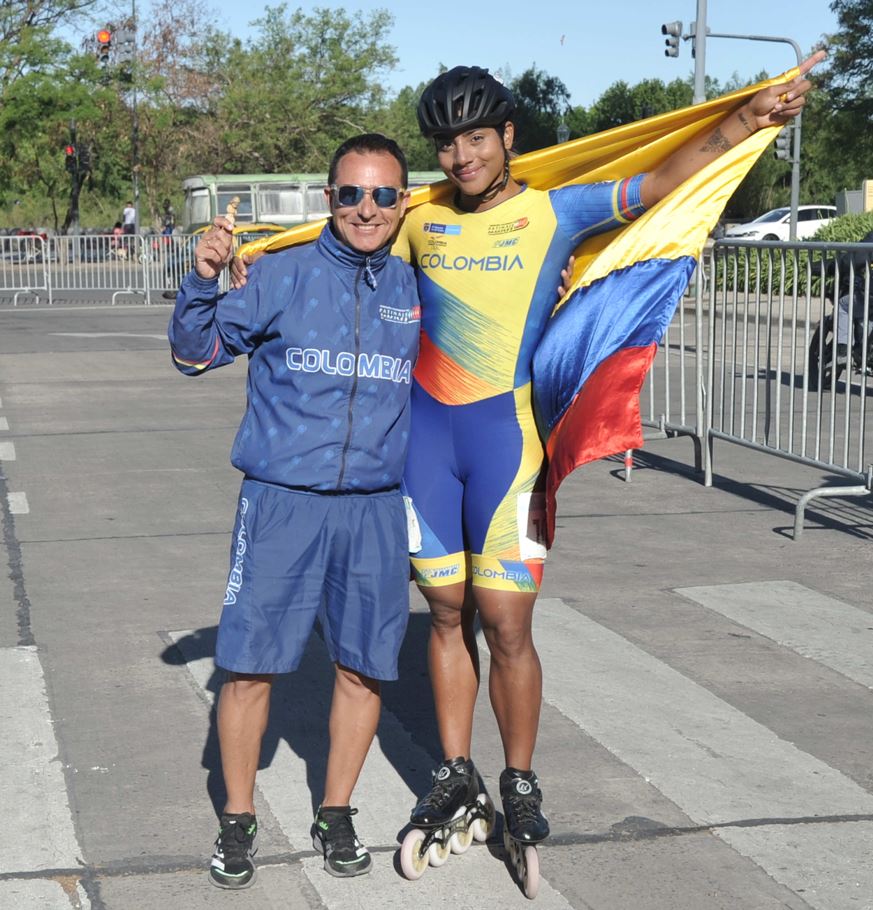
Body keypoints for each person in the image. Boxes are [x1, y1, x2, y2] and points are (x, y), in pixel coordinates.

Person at [396, 58, 824, 850]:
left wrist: (749, 118)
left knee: (507, 626)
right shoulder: (418, 218)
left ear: (507, 137)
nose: (463, 157)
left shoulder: (556, 211)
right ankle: (455, 772)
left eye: (477, 139)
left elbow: (660, 181)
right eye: (448, 144)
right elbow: (338, 240)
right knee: (445, 614)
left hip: (507, 446)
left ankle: (518, 780)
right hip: (425, 444)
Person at [168, 133, 419, 887]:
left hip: (374, 507)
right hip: (281, 503)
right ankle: (238, 821)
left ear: (403, 201)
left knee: (365, 669)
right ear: (328, 200)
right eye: (350, 194)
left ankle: (335, 811)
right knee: (246, 668)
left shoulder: (418, 290)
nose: (365, 209)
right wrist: (203, 278)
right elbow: (194, 354)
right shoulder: (280, 275)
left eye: (381, 195)